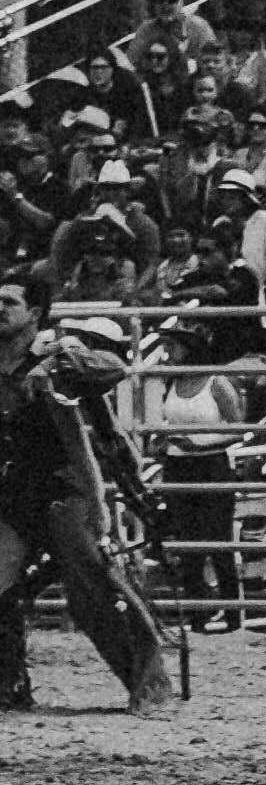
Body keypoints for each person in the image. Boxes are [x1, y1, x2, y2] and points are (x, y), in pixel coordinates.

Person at [0, 291, 179, 712]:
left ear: (35, 314)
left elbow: (112, 368)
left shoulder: (59, 351)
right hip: (16, 488)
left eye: (9, 301)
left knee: (92, 584)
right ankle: (9, 683)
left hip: (67, 488)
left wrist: (61, 363)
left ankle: (148, 682)